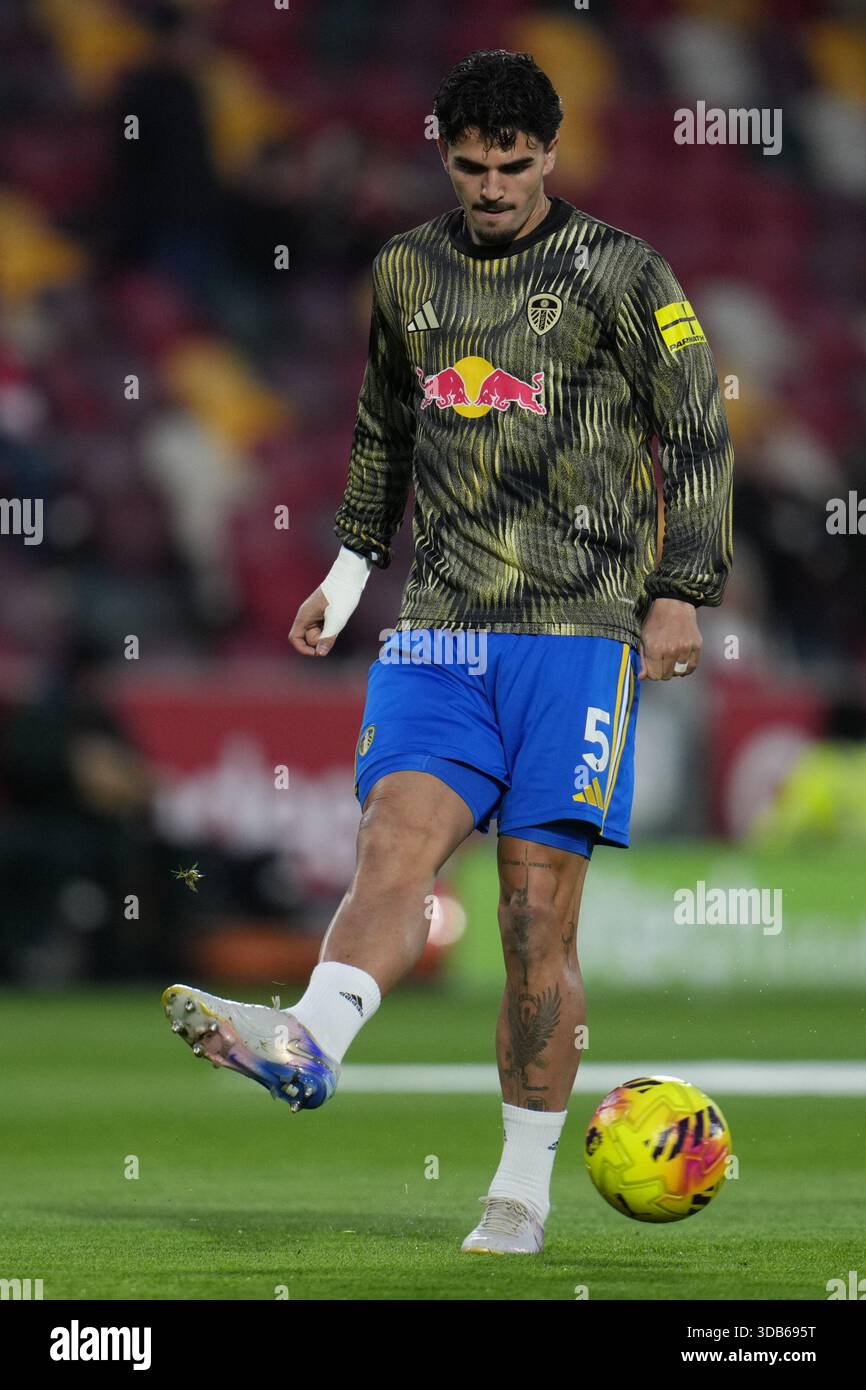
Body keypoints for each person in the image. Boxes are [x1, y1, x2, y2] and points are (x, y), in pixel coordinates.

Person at [163, 49, 733, 1255]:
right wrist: (344, 573)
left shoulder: (622, 272)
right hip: (437, 630)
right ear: (443, 154)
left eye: (511, 166)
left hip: (577, 635)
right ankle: (309, 1042)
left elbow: (694, 432)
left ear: (549, 152)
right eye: (469, 165)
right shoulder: (406, 269)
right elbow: (381, 432)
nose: (489, 187)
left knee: (532, 920)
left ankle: (518, 1188)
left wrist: (682, 588)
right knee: (392, 847)